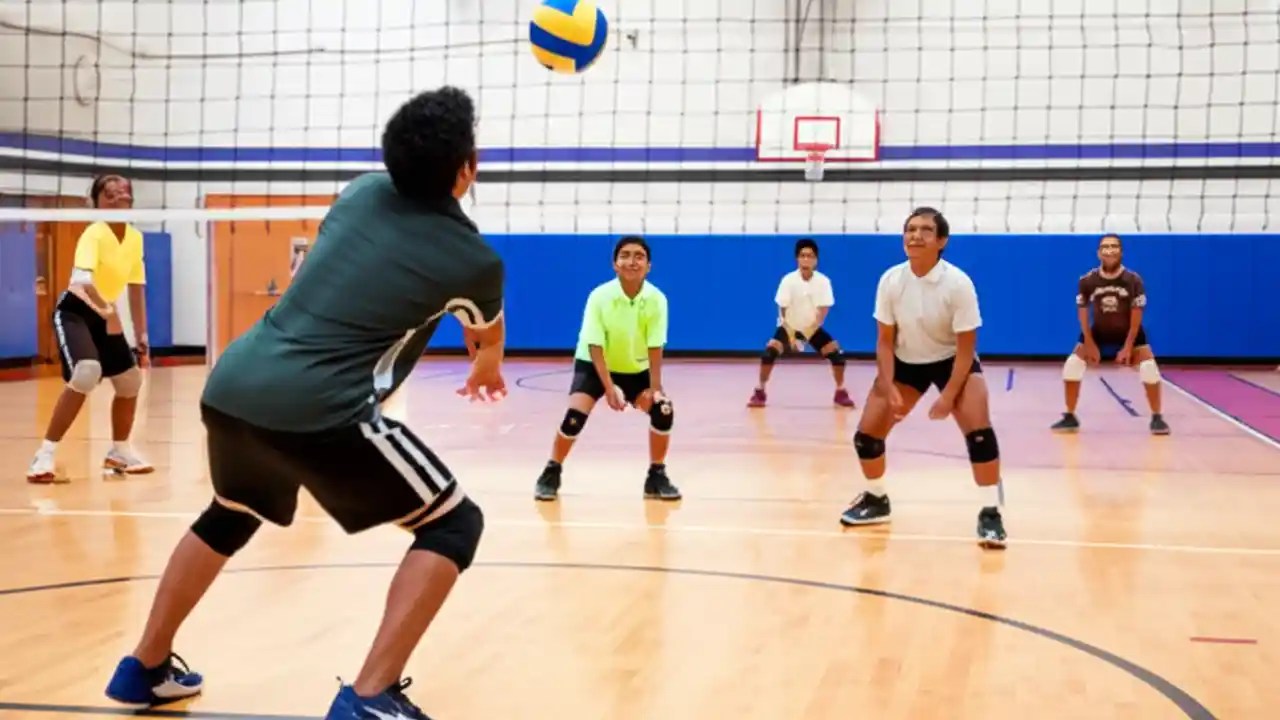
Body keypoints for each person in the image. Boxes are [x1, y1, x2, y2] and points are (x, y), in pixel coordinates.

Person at [102, 86, 506, 720]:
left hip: (234, 385)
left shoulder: (360, 192)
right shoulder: (474, 261)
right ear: (467, 169)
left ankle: (143, 667)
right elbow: (484, 325)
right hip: (321, 410)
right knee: (455, 523)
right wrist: (486, 362)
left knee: (230, 512)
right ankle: (371, 696)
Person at [839, 207, 1007, 549]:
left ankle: (991, 513)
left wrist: (948, 396)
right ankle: (876, 499)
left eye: (925, 230)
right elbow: (885, 341)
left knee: (979, 434)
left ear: (941, 241)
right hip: (906, 361)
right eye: (910, 229)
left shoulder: (958, 283)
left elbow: (965, 348)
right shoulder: (890, 280)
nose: (915, 235)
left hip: (950, 361)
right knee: (866, 437)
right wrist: (888, 384)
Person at [532, 236, 681, 502]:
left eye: (639, 256)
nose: (631, 261)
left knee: (663, 410)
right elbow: (595, 345)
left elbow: (655, 345)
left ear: (649, 266)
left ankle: (656, 476)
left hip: (636, 368)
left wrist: (655, 388)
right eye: (625, 255)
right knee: (574, 417)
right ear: (614, 264)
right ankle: (551, 471)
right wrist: (610, 388)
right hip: (595, 364)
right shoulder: (600, 296)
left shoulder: (657, 299)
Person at [27, 173, 153, 483]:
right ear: (96, 203)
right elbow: (81, 282)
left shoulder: (135, 238)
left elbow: (136, 287)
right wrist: (109, 311)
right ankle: (43, 456)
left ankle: (120, 451)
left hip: (103, 314)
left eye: (122, 192)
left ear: (131, 199)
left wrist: (142, 335)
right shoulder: (94, 233)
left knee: (130, 381)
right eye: (108, 194)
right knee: (86, 372)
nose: (117, 197)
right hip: (76, 311)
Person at [1051, 233, 1170, 435]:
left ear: (1121, 252)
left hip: (1129, 332)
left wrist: (1128, 346)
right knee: (1072, 366)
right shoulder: (1088, 280)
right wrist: (1088, 342)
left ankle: (1157, 418)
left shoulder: (1133, 280)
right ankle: (1070, 417)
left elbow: (1137, 314)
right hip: (1099, 331)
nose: (1110, 250)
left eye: (1114, 246)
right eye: (1105, 247)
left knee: (1150, 369)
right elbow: (1082, 312)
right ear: (1099, 252)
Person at [747, 238, 855, 408]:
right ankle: (760, 391)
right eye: (802, 256)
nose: (806, 260)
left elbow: (822, 312)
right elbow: (783, 309)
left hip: (812, 327)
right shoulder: (788, 280)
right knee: (769, 353)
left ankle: (840, 391)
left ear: (816, 260)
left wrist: (806, 336)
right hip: (788, 326)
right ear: (797, 259)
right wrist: (791, 337)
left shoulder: (823, 282)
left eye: (810, 256)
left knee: (838, 356)